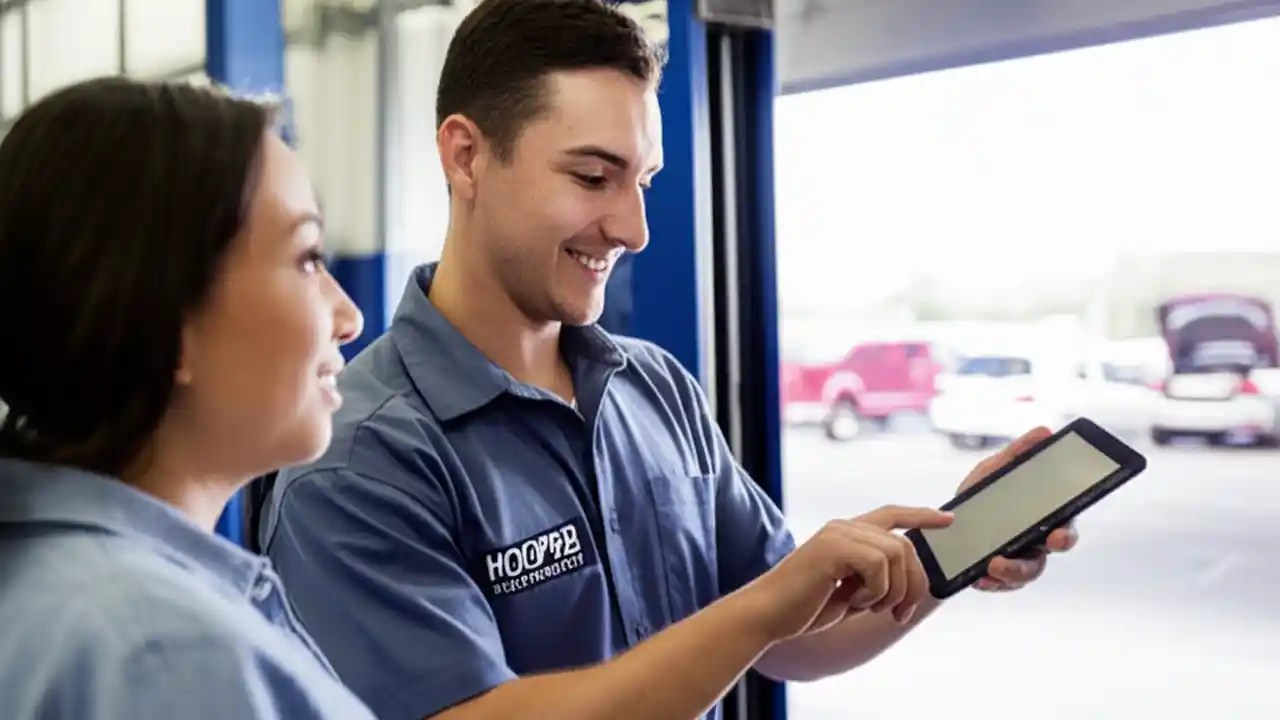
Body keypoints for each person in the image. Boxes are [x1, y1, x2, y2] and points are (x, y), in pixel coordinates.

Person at [258, 1, 1079, 718]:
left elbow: (797, 635)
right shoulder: (359, 460)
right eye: (593, 177)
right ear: (466, 155)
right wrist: (762, 610)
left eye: (642, 182)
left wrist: (950, 550)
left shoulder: (653, 388)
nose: (633, 229)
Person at [0, 77, 378, 719]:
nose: (349, 317)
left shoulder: (54, 580)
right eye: (308, 259)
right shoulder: (165, 652)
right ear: (166, 319)